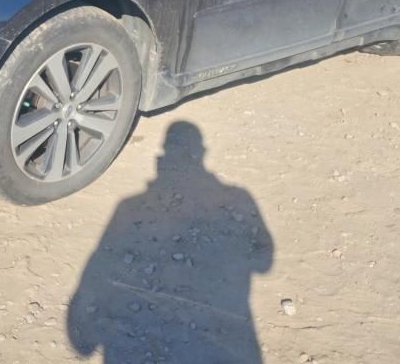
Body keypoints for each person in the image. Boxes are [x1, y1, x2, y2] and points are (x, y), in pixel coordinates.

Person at [68, 121, 274, 363]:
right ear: (203, 152)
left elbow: (97, 267)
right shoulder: (239, 197)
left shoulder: (129, 206)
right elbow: (264, 264)